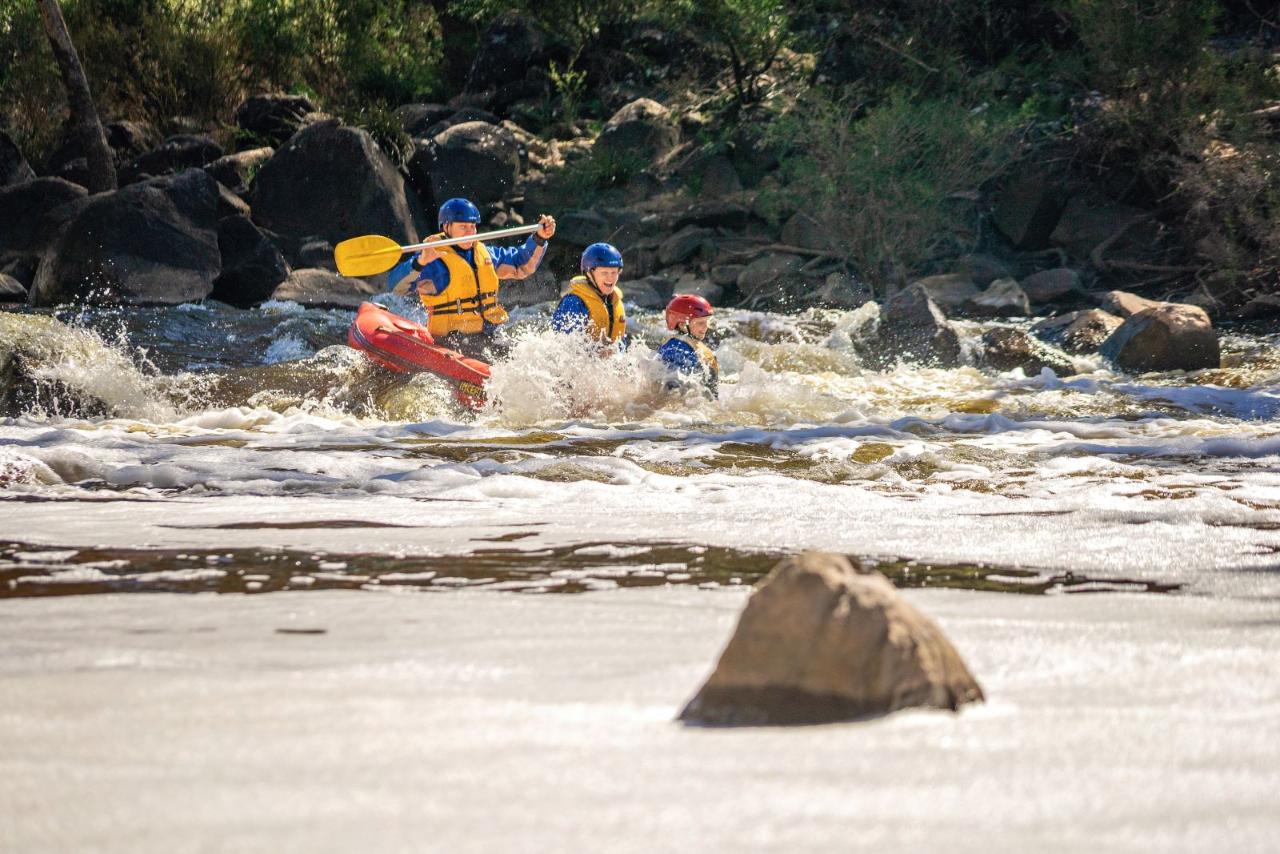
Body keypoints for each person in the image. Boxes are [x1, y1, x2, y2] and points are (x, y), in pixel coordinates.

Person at [389, 197, 556, 359]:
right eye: (463, 227)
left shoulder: (485, 254)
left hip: (488, 336)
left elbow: (521, 265)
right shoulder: (433, 259)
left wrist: (539, 238)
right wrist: (420, 262)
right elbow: (396, 288)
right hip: (451, 342)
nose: (470, 232)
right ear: (446, 227)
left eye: (473, 226)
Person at [551, 242, 627, 350]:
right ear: (589, 273)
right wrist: (596, 354)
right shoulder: (574, 303)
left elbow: (621, 346)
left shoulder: (615, 301)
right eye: (604, 273)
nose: (610, 278)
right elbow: (564, 349)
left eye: (614, 272)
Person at [657, 294, 719, 397]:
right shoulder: (678, 349)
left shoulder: (686, 344)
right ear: (682, 325)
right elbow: (672, 388)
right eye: (700, 323)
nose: (706, 327)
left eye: (706, 322)